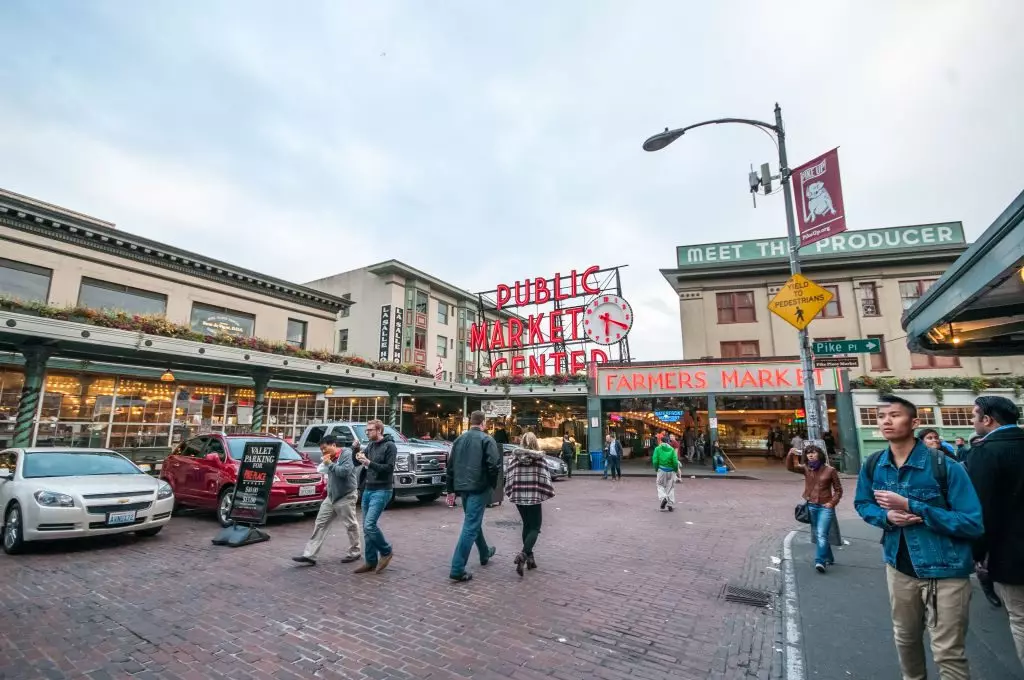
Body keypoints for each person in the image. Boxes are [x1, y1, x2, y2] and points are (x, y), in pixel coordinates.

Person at [854, 395, 984, 680]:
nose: (886, 420)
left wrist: (913, 506)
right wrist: (886, 517)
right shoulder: (874, 464)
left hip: (946, 570)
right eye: (881, 416)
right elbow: (863, 503)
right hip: (899, 568)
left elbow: (972, 523)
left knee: (948, 653)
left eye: (895, 415)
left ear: (914, 422)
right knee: (905, 639)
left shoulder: (946, 466)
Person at [966, 395, 1024, 668]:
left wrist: (978, 552)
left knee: (1021, 618)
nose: (972, 420)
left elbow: (981, 509)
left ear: (988, 419)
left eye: (974, 415)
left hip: (1012, 551)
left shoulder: (984, 452)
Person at [446, 410, 501, 582]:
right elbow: (494, 465)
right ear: (483, 423)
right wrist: (492, 484)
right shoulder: (487, 439)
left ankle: (484, 552)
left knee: (472, 521)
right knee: (471, 525)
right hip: (479, 486)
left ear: (471, 422)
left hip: (463, 487)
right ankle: (457, 567)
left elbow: (451, 467)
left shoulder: (459, 440)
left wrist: (450, 490)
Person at [292, 435, 361, 566]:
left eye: (325, 448)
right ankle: (310, 555)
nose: (323, 451)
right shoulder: (329, 458)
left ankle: (355, 551)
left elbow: (344, 472)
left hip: (346, 495)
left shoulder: (346, 454)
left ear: (334, 445)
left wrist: (329, 464)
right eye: (321, 449)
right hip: (331, 497)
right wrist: (327, 464)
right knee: (320, 523)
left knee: (350, 524)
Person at [786, 441, 843, 573]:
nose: (810, 455)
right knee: (819, 534)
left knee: (821, 534)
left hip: (825, 506)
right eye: (808, 453)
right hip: (811, 505)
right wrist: (790, 454)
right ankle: (828, 556)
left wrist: (832, 503)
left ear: (819, 454)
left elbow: (838, 490)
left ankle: (820, 561)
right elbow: (790, 467)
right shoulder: (806, 468)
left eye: (813, 452)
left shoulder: (830, 470)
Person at [505, 432, 555, 577]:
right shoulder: (539, 460)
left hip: (519, 497)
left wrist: (510, 492)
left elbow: (509, 478)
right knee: (535, 527)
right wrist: (545, 492)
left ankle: (530, 558)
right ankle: (523, 555)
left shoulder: (514, 459)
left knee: (527, 525)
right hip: (533, 497)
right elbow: (545, 479)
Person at [353, 419, 397, 574]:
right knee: (366, 528)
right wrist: (356, 450)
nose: (367, 432)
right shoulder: (370, 445)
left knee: (370, 525)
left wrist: (369, 463)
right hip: (368, 489)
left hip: (382, 490)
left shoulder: (390, 446)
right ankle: (370, 561)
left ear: (379, 430)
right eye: (367, 430)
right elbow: (357, 462)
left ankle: (386, 551)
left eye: (370, 430)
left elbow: (389, 469)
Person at [651, 434, 679, 511]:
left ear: (661, 441)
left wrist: (656, 469)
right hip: (671, 470)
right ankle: (670, 504)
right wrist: (675, 470)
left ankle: (663, 498)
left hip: (661, 470)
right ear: (668, 442)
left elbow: (655, 461)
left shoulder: (657, 449)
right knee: (670, 487)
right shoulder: (672, 450)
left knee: (660, 485)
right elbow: (675, 462)